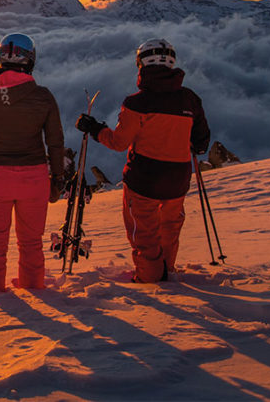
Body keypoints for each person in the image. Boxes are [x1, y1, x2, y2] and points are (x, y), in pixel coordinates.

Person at [75, 38, 210, 283]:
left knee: (145, 233)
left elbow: (118, 143)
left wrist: (94, 129)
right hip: (178, 178)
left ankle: (150, 281)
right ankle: (168, 272)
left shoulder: (137, 103)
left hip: (144, 179)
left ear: (141, 65)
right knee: (169, 228)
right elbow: (200, 142)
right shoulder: (190, 99)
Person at [0, 33, 65, 291]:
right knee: (31, 242)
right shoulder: (43, 97)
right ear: (30, 60)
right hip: (34, 179)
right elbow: (55, 141)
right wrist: (58, 179)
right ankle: (34, 289)